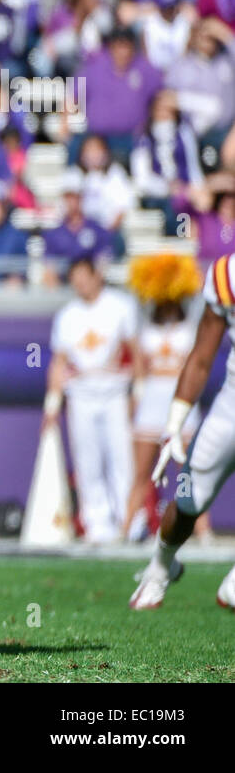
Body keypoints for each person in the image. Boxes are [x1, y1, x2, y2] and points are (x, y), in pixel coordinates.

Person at [131, 248, 235, 611]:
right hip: (231, 406)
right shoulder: (228, 273)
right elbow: (202, 355)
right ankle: (160, 566)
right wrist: (174, 423)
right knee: (188, 501)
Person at [42, 255, 141, 544]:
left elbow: (136, 353)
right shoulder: (67, 316)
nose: (80, 283)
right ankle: (98, 526)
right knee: (88, 462)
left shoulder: (121, 306)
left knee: (122, 458)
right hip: (81, 396)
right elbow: (58, 362)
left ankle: (130, 523)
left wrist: (138, 392)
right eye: (75, 278)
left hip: (114, 393)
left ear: (96, 275)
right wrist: (52, 403)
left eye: (84, 276)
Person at [125, 253, 201, 542]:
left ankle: (200, 531)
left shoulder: (191, 324)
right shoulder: (145, 325)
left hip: (182, 403)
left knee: (189, 473)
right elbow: (140, 370)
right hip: (151, 405)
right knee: (141, 473)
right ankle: (125, 528)